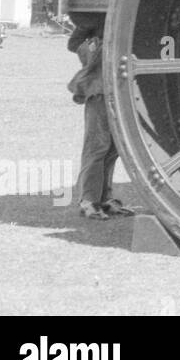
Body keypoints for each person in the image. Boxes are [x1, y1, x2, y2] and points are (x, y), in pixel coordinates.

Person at [67, 12, 132, 220]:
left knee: (112, 149)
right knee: (97, 148)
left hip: (116, 93)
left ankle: (103, 198)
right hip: (98, 91)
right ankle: (88, 200)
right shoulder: (95, 21)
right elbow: (74, 43)